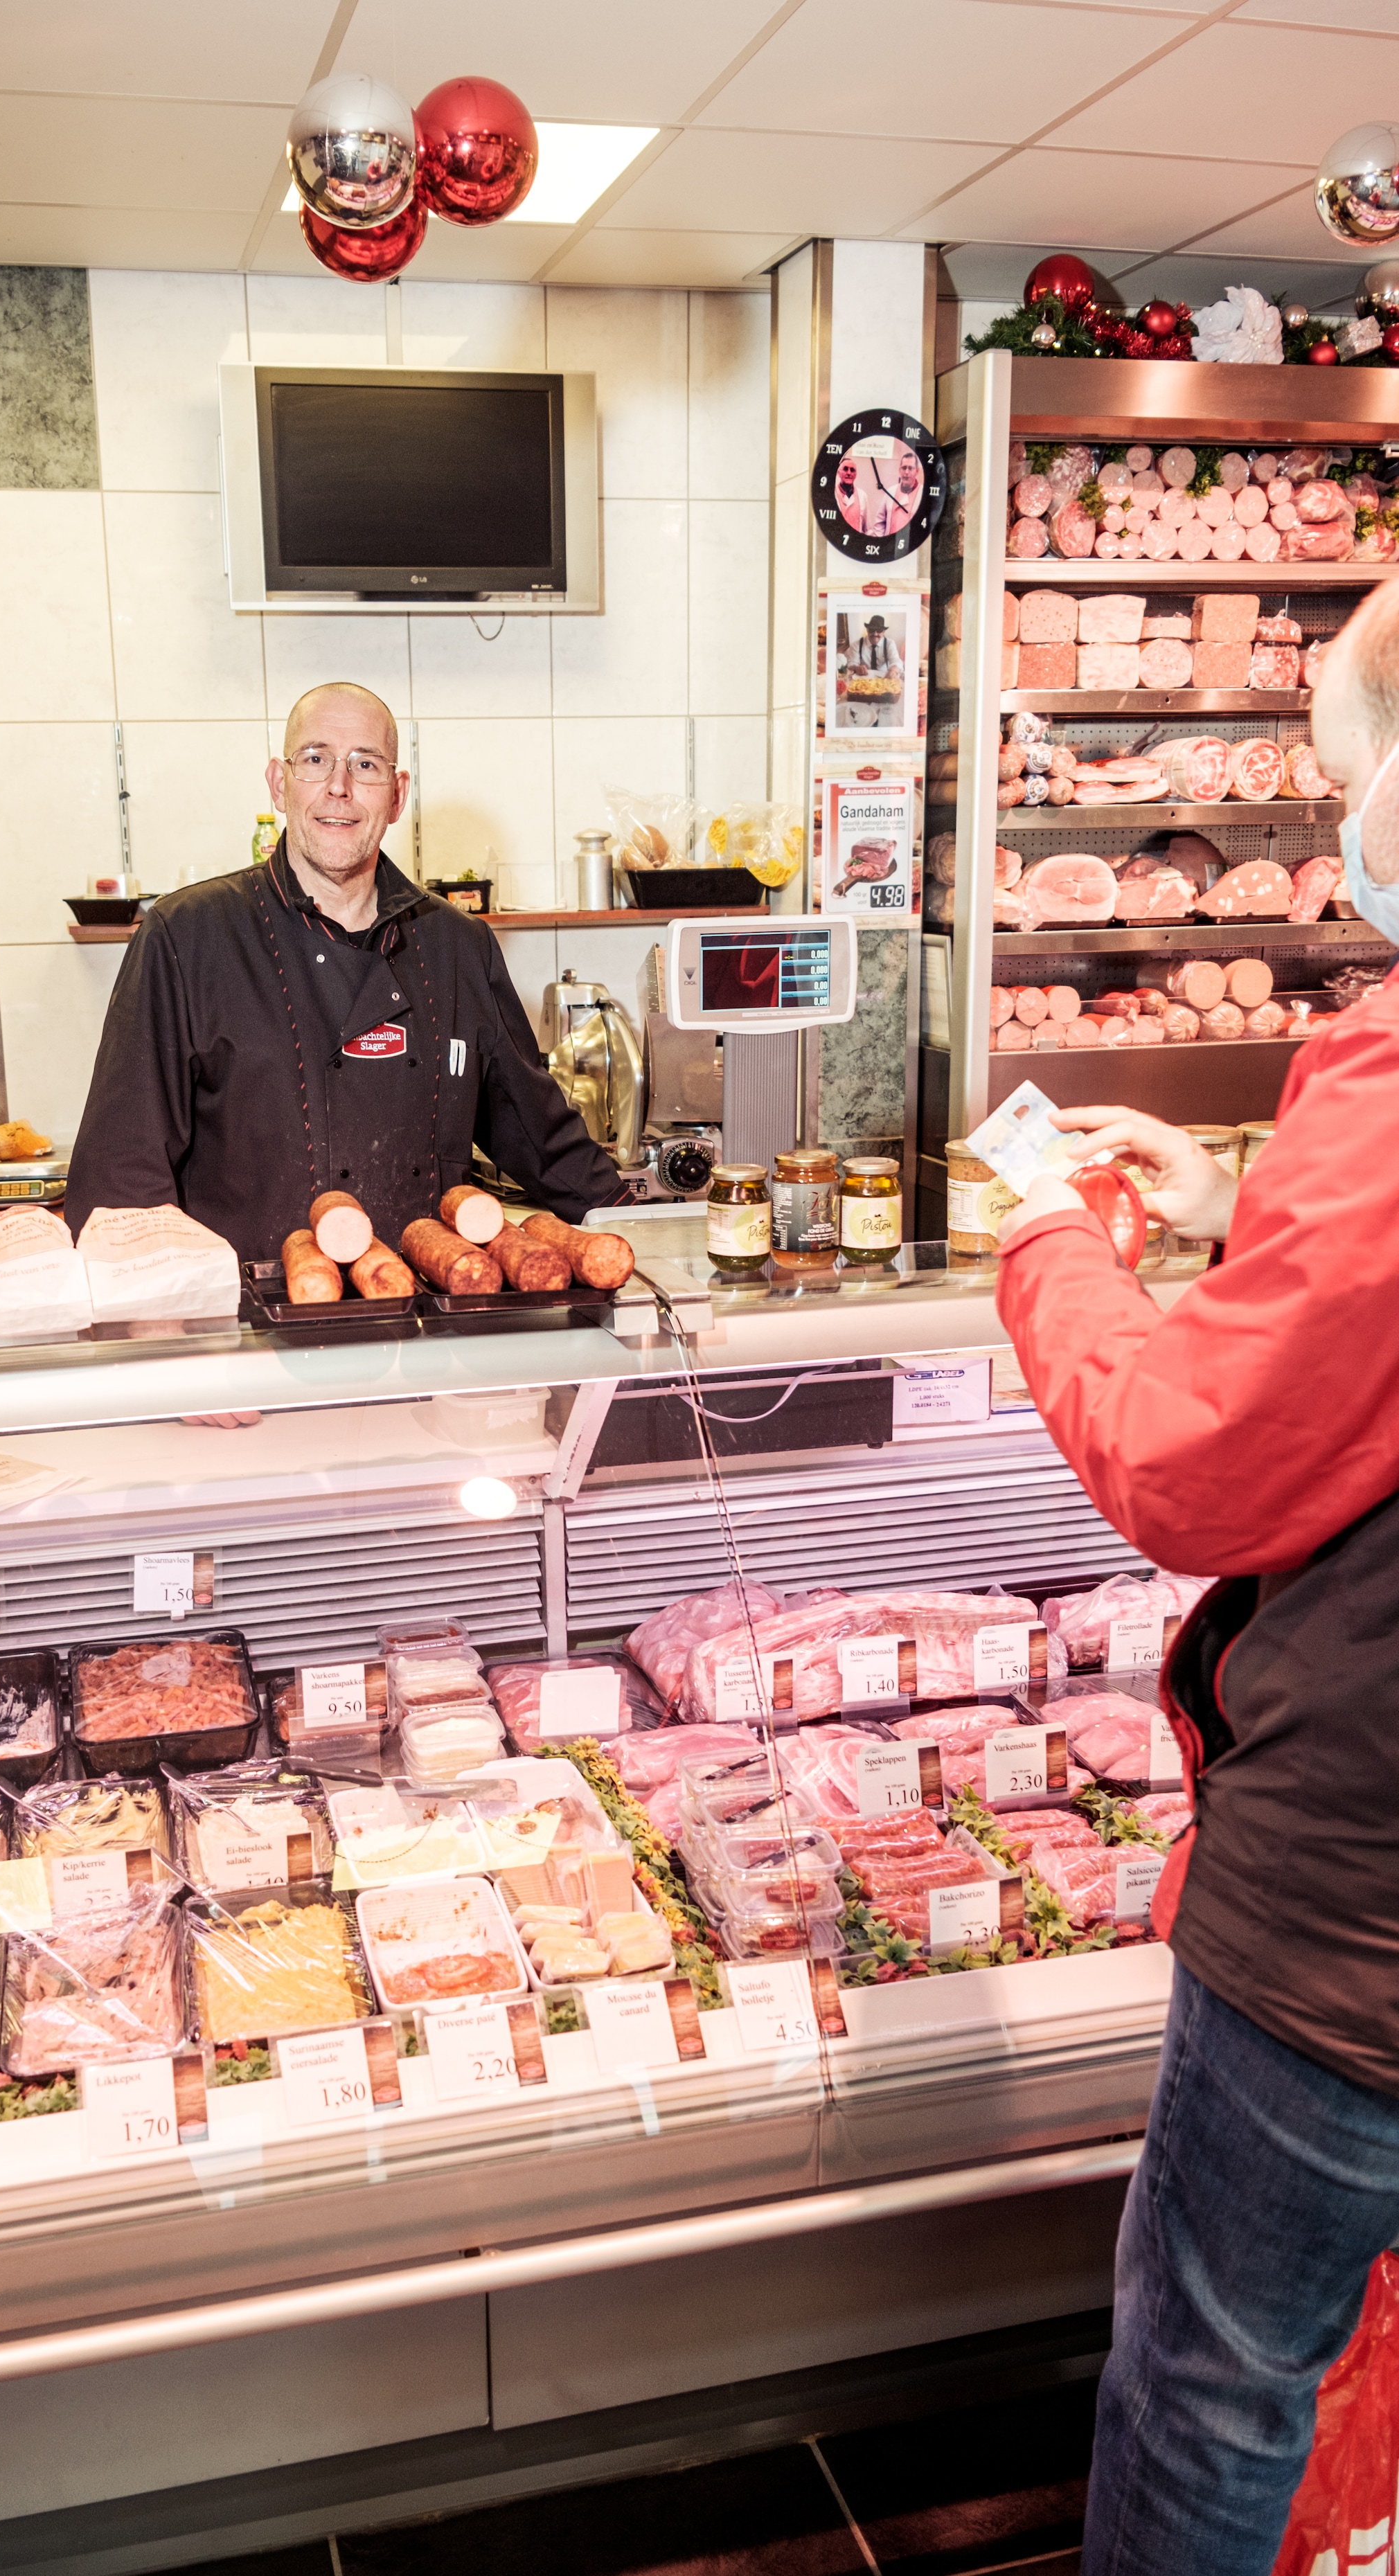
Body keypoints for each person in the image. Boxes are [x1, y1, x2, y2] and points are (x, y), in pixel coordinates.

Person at [994, 579, 1399, 2576]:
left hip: (1359, 1920)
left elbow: (1184, 1465)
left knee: (1222, 2380)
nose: (1344, 837)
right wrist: (1245, 1198)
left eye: (1358, 781)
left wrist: (1045, 1238)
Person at [66, 681, 623, 1261]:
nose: (339, 787)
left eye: (365, 764)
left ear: (397, 794)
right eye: (315, 760)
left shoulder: (459, 946)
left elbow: (540, 1138)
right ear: (279, 785)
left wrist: (643, 1227)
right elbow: (122, 1178)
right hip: (253, 1323)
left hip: (425, 1312)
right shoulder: (188, 938)